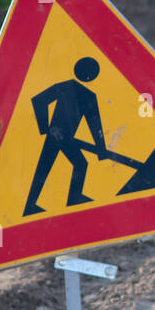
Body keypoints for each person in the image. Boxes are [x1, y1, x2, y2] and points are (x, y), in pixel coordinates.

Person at [22, 57, 107, 216]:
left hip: (67, 137)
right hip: (55, 135)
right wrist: (47, 128)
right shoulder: (67, 87)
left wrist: (101, 149)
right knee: (46, 168)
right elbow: (38, 100)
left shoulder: (88, 96)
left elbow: (95, 125)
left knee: (73, 165)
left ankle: (71, 197)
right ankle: (33, 205)